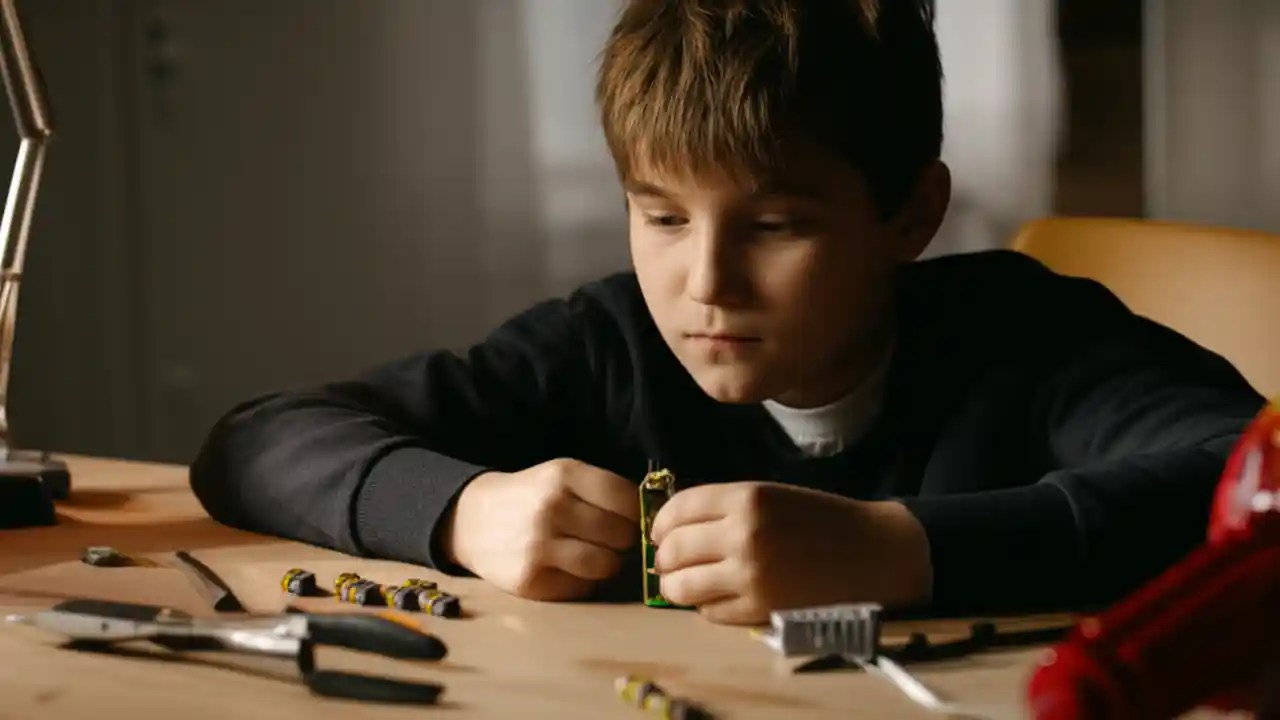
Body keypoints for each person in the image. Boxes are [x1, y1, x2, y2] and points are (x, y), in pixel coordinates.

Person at [189, 0, 1265, 624]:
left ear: (909, 213)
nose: (704, 282)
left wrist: (903, 551)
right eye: (659, 218)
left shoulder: (1024, 338)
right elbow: (255, 441)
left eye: (775, 225)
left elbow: (1251, 480)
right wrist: (464, 512)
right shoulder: (605, 342)